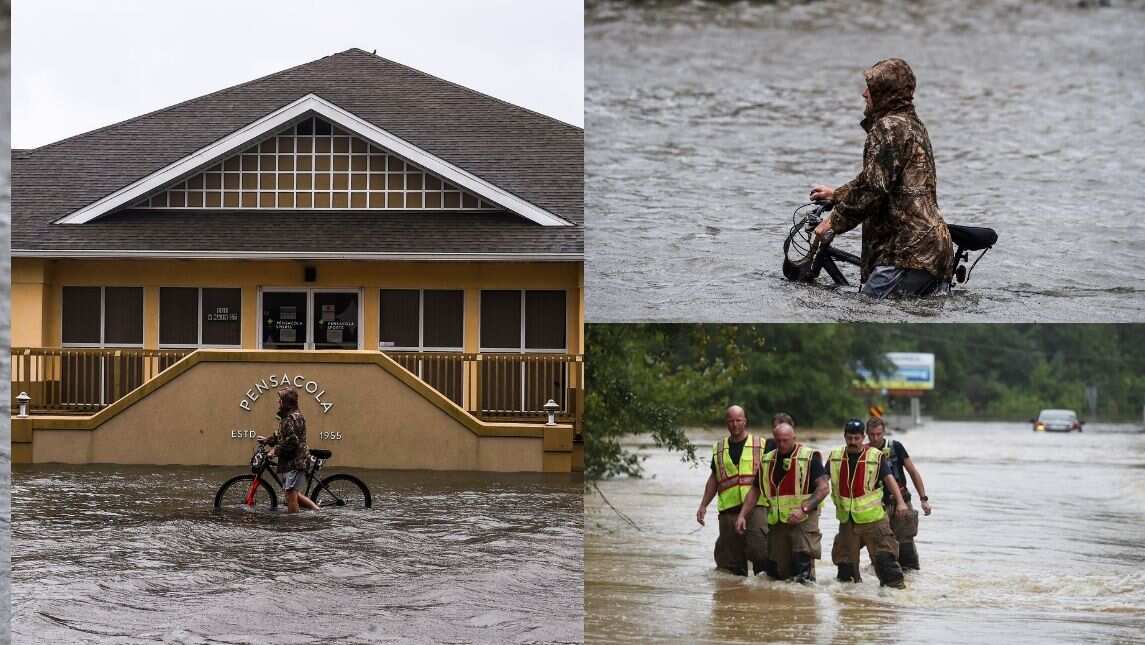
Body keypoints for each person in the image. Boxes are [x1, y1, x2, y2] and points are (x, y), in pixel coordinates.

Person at [809, 58, 954, 299]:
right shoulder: (912, 125)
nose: (864, 94)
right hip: (931, 251)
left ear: (885, 93)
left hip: (905, 253)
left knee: (864, 312)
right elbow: (879, 178)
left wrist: (834, 221)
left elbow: (874, 189)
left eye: (872, 88)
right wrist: (837, 194)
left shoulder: (888, 128)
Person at [734, 420, 828, 583]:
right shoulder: (767, 460)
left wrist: (803, 510)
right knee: (777, 574)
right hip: (778, 523)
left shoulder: (809, 457)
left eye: (786, 440)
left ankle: (805, 604)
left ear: (794, 438)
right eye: (778, 440)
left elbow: (824, 488)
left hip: (803, 520)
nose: (782, 444)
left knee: (802, 573)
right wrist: (742, 515)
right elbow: (755, 490)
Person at [828, 418, 908, 588]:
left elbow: (889, 479)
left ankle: (894, 600)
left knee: (886, 562)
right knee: (845, 569)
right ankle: (851, 604)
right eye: (849, 438)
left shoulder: (875, 456)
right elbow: (821, 482)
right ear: (844, 437)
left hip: (874, 521)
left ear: (863, 437)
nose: (853, 442)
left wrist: (901, 502)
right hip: (847, 521)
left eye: (857, 438)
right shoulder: (835, 457)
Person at [696, 405, 769, 576]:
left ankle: (763, 598)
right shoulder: (719, 448)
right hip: (728, 511)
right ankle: (735, 600)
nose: (735, 424)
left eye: (738, 420)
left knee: (761, 554)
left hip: (756, 508)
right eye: (731, 421)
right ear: (726, 423)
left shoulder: (763, 444)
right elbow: (714, 478)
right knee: (730, 566)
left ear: (745, 421)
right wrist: (703, 505)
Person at [866, 417, 932, 570]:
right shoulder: (864, 451)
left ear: (884, 432)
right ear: (866, 434)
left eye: (878, 434)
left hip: (901, 503)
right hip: (877, 506)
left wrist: (924, 499)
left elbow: (913, 472)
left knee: (906, 550)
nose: (875, 438)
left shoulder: (896, 447)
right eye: (871, 435)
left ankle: (912, 586)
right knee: (881, 550)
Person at [258, 387, 320, 513]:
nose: (278, 402)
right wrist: (267, 440)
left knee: (290, 495)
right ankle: (317, 511)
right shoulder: (287, 418)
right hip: (291, 461)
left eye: (280, 399)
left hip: (296, 461)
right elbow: (282, 436)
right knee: (292, 493)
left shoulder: (292, 418)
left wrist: (274, 451)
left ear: (286, 402)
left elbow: (292, 441)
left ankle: (293, 526)